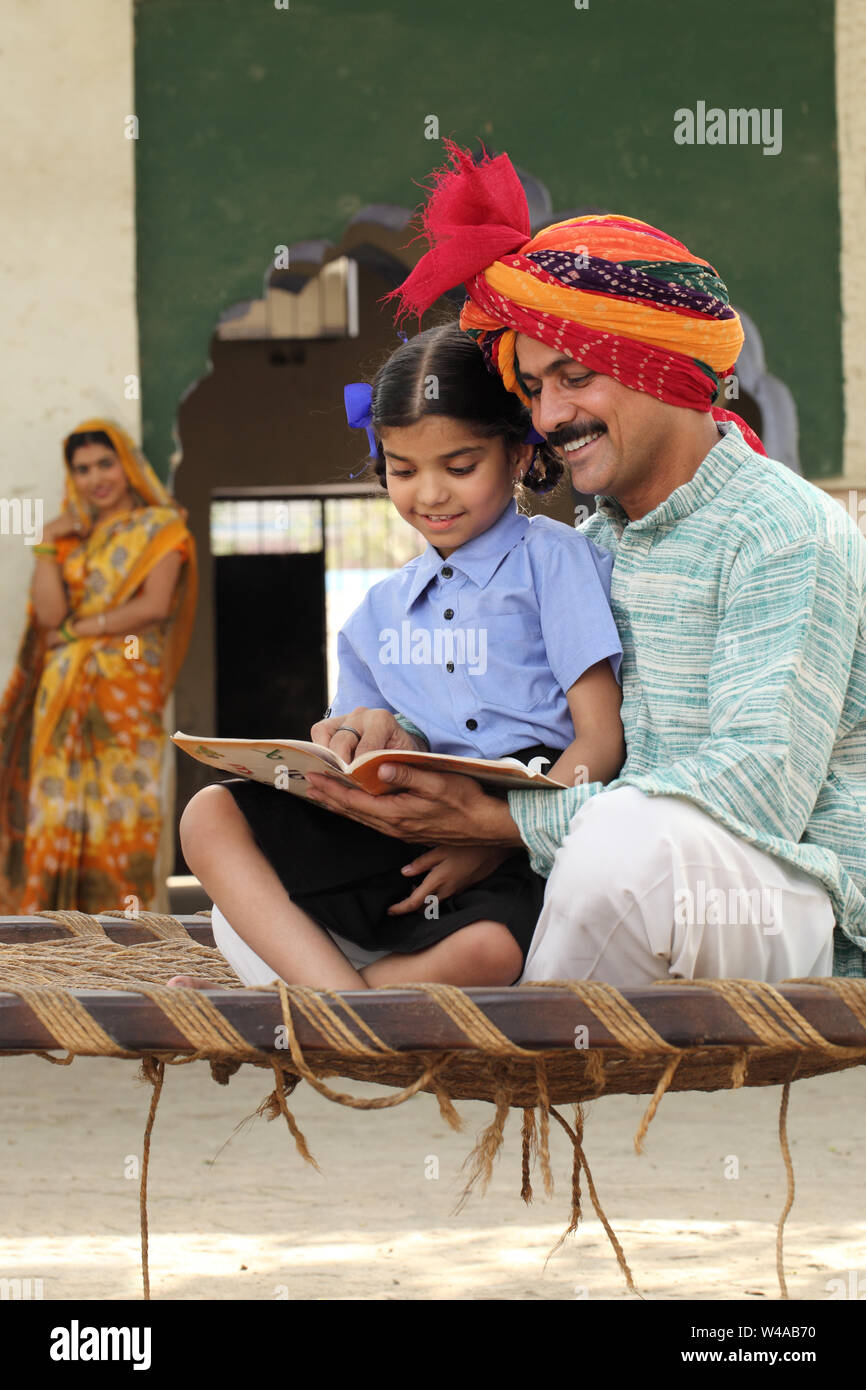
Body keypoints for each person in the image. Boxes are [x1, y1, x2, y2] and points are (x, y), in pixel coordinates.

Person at [300, 142, 866, 985]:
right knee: (274, 848)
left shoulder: (785, 530)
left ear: (661, 365)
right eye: (531, 388)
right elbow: (522, 727)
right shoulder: (587, 544)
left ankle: (487, 1017)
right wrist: (394, 744)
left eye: (573, 377)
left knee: (622, 832)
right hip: (597, 881)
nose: (550, 415)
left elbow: (755, 787)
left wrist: (499, 827)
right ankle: (380, 990)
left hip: (780, 898)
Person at [174, 323, 624, 990]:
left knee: (489, 955)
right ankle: (349, 1001)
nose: (430, 494)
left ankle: (304, 997)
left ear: (521, 452)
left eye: (459, 467)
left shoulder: (555, 563)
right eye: (403, 470)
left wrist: (508, 831)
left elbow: (601, 737)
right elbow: (360, 735)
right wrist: (356, 738)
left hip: (513, 832)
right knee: (207, 816)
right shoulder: (377, 612)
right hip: (396, 830)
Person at [0, 419, 197, 914]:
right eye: (82, 469)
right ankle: (46, 928)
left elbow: (153, 606)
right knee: (56, 806)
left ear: (127, 465)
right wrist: (46, 541)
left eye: (105, 463)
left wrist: (82, 630)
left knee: (121, 807)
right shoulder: (74, 538)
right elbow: (49, 618)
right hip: (61, 690)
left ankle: (123, 936)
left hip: (125, 686)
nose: (96, 478)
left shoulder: (163, 528)